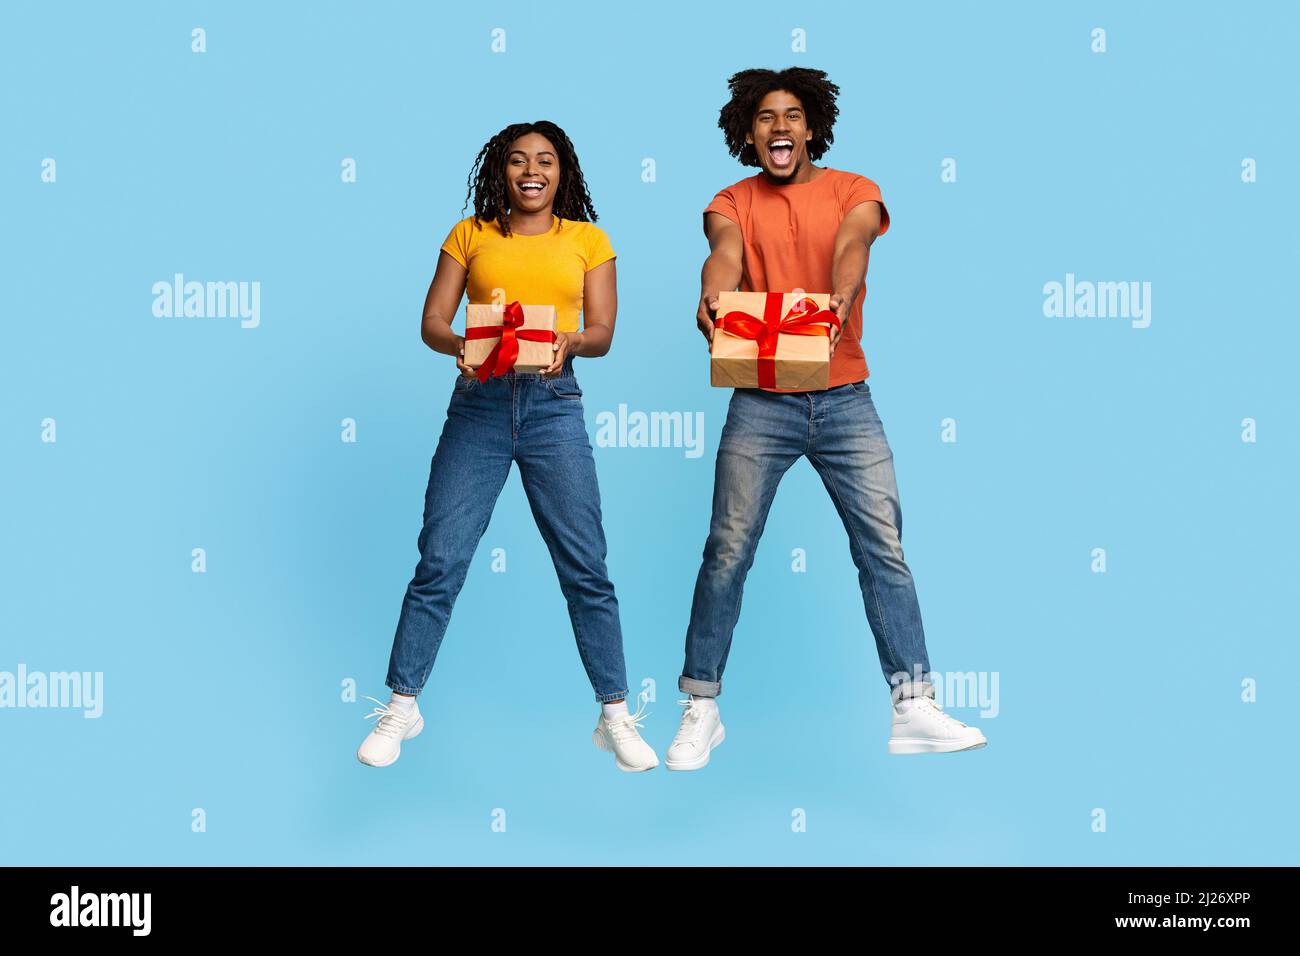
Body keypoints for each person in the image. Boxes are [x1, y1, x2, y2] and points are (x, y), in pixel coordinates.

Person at [666, 68, 987, 770]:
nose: (779, 126)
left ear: (812, 128)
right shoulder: (731, 200)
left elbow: (855, 244)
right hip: (759, 399)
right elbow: (721, 255)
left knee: (884, 547)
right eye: (764, 118)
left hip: (845, 398)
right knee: (727, 548)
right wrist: (713, 297)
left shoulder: (854, 188)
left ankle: (913, 706)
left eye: (792, 115)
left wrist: (841, 295)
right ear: (748, 134)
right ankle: (701, 707)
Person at [357, 120, 658, 772]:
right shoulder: (470, 235)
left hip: (554, 408)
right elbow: (432, 322)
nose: (532, 171)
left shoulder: (589, 240)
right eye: (518, 160)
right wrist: (460, 344)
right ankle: (402, 706)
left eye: (545, 161)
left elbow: (602, 330)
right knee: (441, 558)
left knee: (587, 567)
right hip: (480, 407)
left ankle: (614, 714)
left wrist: (570, 343)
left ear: (561, 172)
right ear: (501, 169)